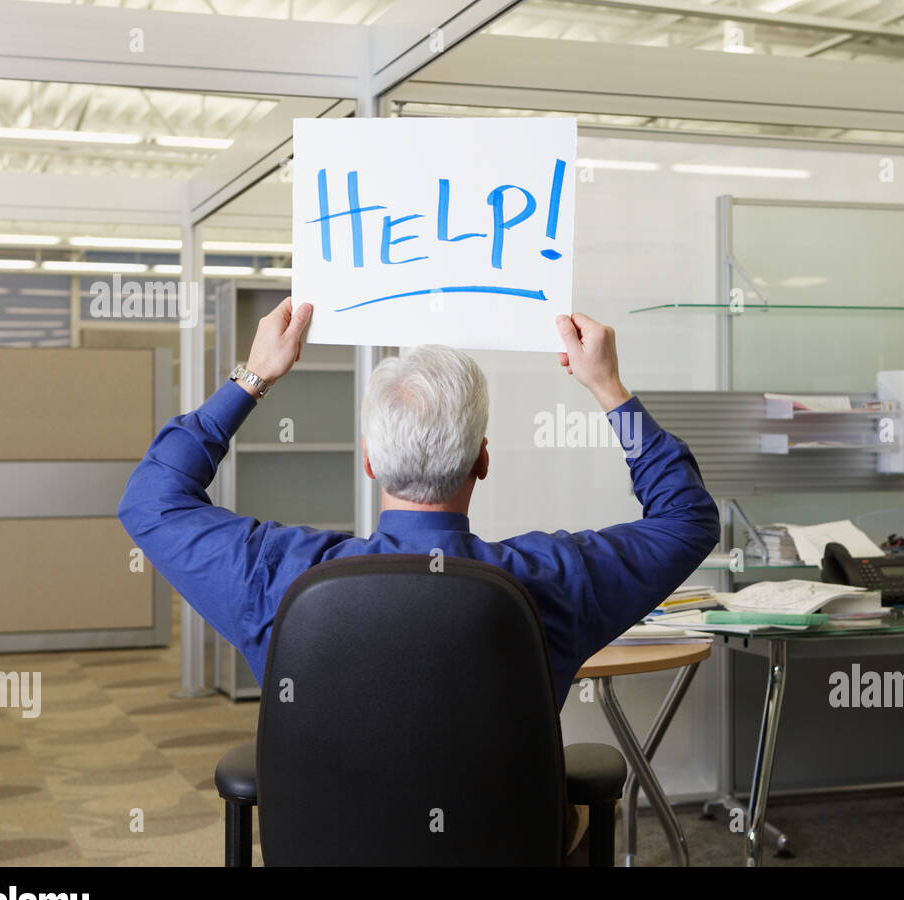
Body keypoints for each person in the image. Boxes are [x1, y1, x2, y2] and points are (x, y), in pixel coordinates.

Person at [117, 298, 720, 857]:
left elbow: (151, 500)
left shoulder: (276, 576)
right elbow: (688, 519)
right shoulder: (554, 581)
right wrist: (607, 386)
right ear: (482, 460)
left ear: (370, 461)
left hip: (324, 851)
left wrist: (255, 376)